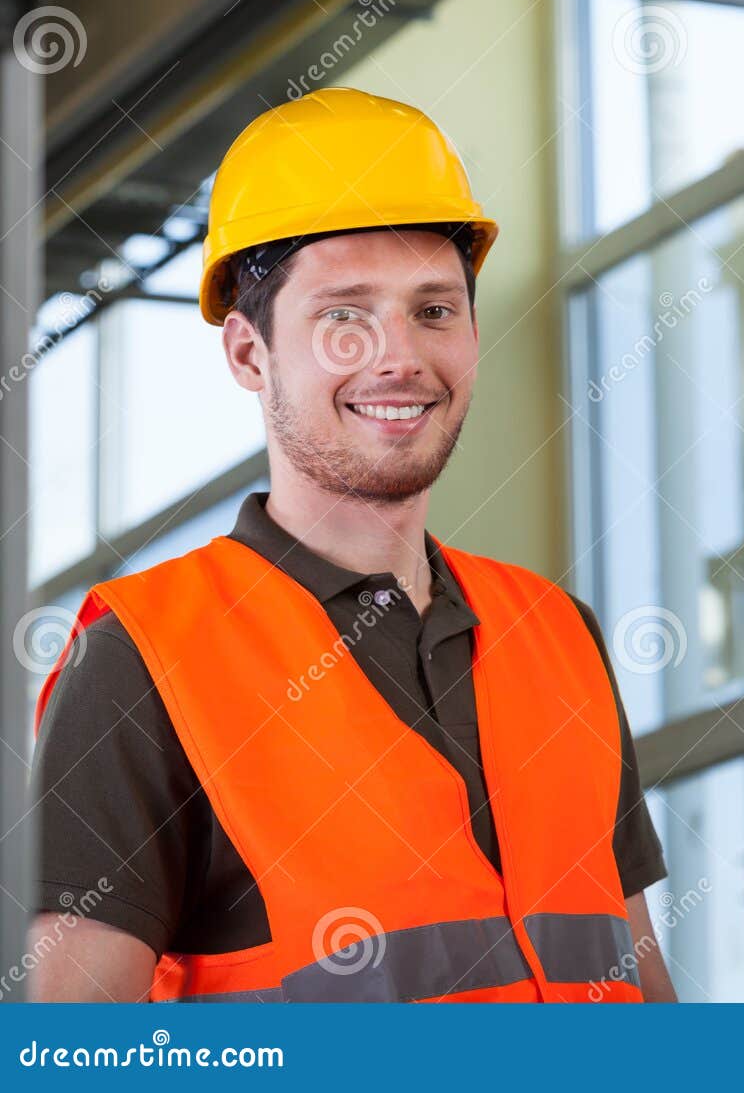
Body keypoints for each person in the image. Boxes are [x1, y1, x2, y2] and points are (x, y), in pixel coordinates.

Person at [29, 88, 674, 1003]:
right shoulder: (140, 658)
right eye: (344, 316)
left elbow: (642, 982)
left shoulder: (559, 632)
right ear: (249, 355)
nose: (399, 356)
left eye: (434, 310)